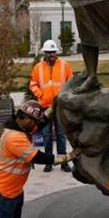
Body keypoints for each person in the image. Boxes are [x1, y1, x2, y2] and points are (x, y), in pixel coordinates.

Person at [29, 39, 73, 173]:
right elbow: (33, 84)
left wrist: (65, 96)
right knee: (47, 136)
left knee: (61, 135)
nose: (51, 54)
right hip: (44, 107)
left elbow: (70, 82)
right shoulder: (38, 67)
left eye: (53, 52)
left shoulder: (64, 65)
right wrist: (40, 94)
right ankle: (49, 162)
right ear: (45, 53)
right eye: (49, 52)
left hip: (59, 106)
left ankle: (63, 162)